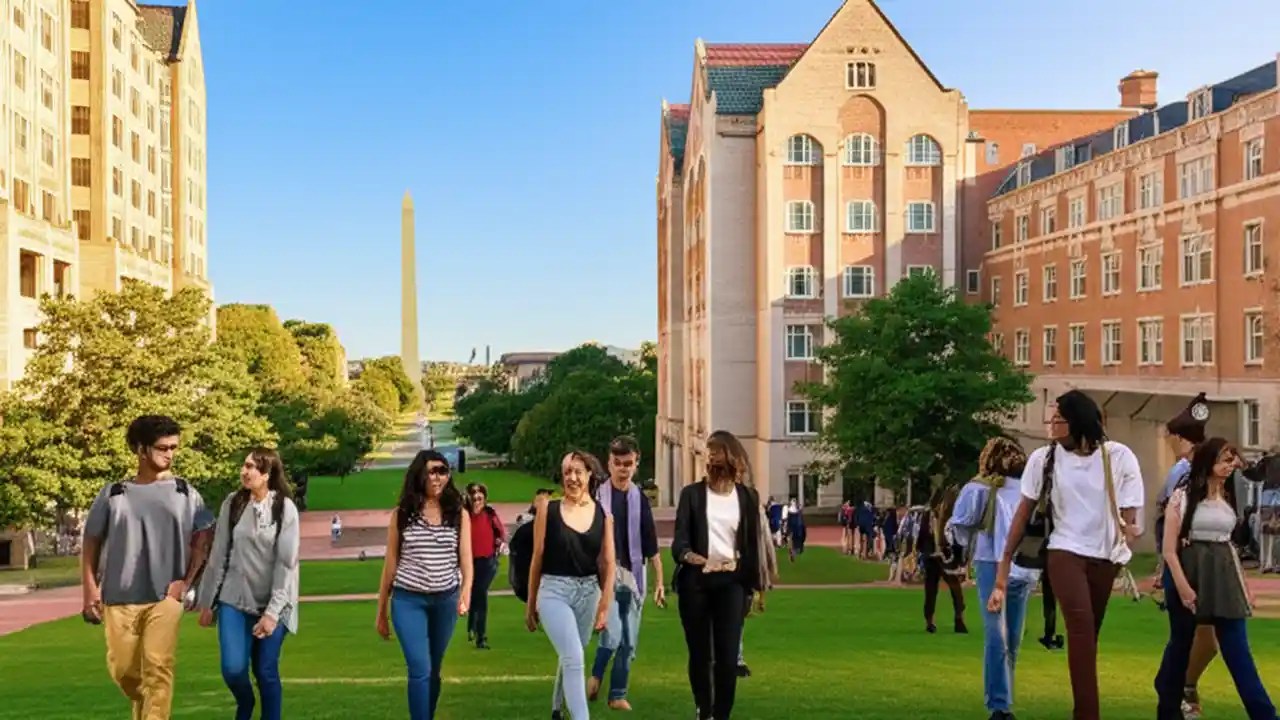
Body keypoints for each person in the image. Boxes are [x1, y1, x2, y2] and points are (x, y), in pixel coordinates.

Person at [995, 390, 1144, 720]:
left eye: (1057, 420)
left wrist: (1132, 531)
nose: (1050, 426)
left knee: (1088, 638)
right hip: (1064, 551)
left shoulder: (1119, 457)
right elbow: (1023, 512)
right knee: (1079, 630)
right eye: (1049, 419)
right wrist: (1005, 561)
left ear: (1077, 421)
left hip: (1105, 557)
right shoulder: (1043, 458)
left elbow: (1131, 515)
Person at [80, 415, 216, 720]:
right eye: (162, 447)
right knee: (124, 671)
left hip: (166, 598)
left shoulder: (185, 492)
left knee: (158, 666)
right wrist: (89, 589)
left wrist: (188, 581)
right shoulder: (113, 494)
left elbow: (206, 535)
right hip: (119, 598)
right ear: (141, 449)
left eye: (174, 447)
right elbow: (91, 542)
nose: (170, 453)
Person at [1155, 438, 1277, 719]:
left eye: (1231, 460)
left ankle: (1265, 714)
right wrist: (1183, 588)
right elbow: (1169, 551)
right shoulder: (1183, 497)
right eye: (1224, 459)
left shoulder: (1227, 497)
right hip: (1190, 572)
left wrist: (1244, 587)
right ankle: (1169, 704)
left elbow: (1230, 546)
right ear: (1208, 461)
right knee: (1181, 645)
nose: (1230, 466)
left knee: (1238, 653)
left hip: (1223, 576)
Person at [197, 448, 301, 720]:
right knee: (233, 669)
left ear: (266, 475)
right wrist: (207, 601)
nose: (244, 471)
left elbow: (286, 564)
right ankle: (245, 703)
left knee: (266, 671)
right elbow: (218, 554)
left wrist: (272, 613)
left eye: (251, 467)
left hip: (273, 603)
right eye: (244, 465)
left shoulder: (284, 509)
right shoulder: (233, 503)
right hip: (234, 600)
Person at [672, 430, 768, 720]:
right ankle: (704, 709)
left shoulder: (748, 498)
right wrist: (692, 557)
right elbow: (679, 542)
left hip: (732, 582)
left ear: (732, 456)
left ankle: (721, 714)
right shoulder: (692, 495)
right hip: (696, 582)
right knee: (701, 654)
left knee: (727, 657)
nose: (711, 458)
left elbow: (752, 547)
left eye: (716, 452)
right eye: (707, 453)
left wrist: (754, 588)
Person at [376, 450, 473, 720]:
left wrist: (465, 593)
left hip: (445, 599)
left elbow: (466, 560)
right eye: (431, 471)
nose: (437, 477)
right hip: (409, 600)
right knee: (419, 667)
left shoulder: (458, 514)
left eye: (442, 470)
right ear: (419, 474)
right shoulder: (403, 514)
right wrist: (381, 609)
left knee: (434, 669)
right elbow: (390, 564)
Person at [951, 437, 1037, 720]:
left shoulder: (983, 488)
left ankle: (1002, 703)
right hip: (1008, 564)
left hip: (1004, 563)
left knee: (1004, 636)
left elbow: (960, 526)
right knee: (1004, 636)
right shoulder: (1014, 490)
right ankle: (1000, 704)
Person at [526, 450, 616, 720]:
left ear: (590, 474)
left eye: (578, 471)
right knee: (574, 656)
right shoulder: (548, 510)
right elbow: (537, 557)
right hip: (554, 590)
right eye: (567, 472)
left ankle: (557, 708)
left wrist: (604, 605)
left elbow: (608, 563)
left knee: (571, 653)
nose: (572, 478)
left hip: (589, 592)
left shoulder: (603, 514)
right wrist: (531, 604)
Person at [588, 436, 665, 711]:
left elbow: (651, 543)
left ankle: (616, 694)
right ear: (609, 463)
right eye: (617, 463)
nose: (623, 469)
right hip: (605, 574)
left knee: (629, 641)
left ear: (636, 464)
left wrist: (659, 581)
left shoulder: (640, 499)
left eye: (628, 464)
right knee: (613, 633)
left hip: (633, 575)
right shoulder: (597, 496)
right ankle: (598, 675)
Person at [1156, 393, 1219, 718]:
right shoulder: (1180, 474)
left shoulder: (1189, 470)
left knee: (1201, 637)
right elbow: (1167, 523)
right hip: (1183, 562)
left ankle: (1179, 686)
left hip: (1202, 562)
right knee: (1185, 635)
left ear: (1181, 438)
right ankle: (1175, 691)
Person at [919, 485, 967, 634]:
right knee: (939, 590)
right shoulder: (935, 515)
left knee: (947, 589)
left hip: (941, 555)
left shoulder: (945, 516)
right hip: (938, 556)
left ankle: (955, 619)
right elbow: (922, 535)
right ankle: (937, 620)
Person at [464, 482, 506, 650]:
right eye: (473, 497)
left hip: (487, 562)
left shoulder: (489, 514)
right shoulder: (464, 515)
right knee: (475, 595)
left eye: (480, 498)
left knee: (479, 594)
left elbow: (501, 533)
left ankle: (480, 635)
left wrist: (498, 543)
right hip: (469, 562)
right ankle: (473, 627)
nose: (476, 501)